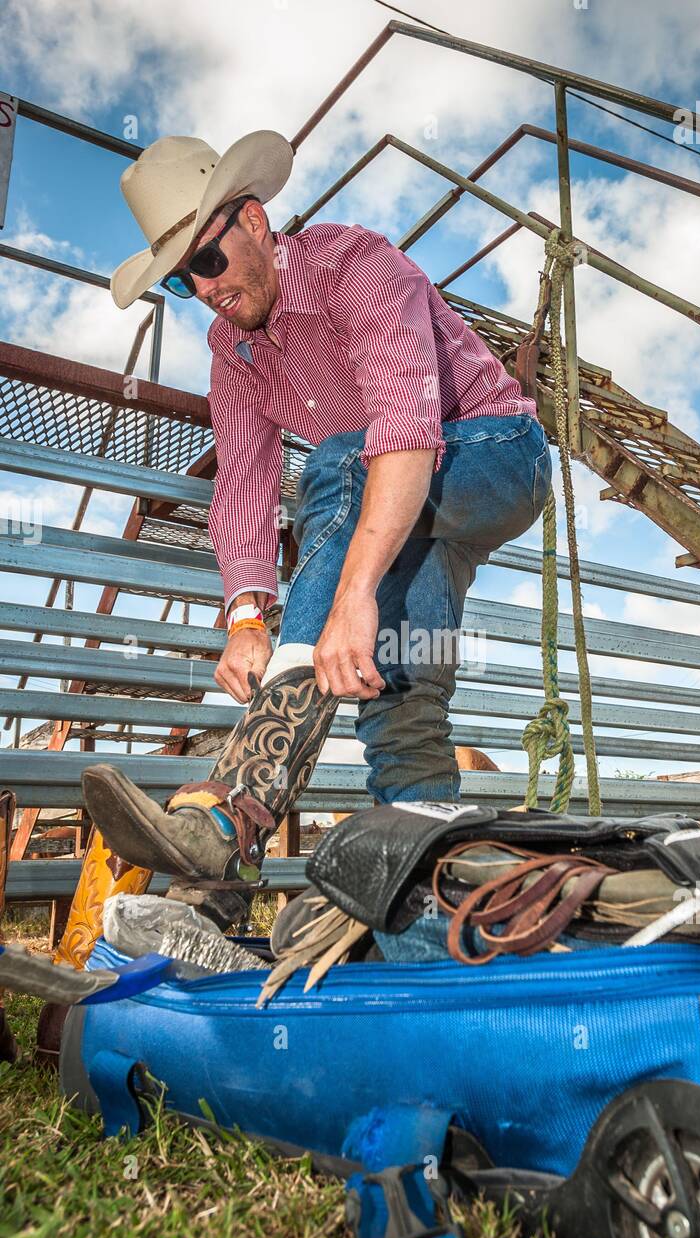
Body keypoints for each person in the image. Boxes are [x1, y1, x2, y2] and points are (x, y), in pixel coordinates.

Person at [82, 131, 552, 921]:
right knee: (398, 692)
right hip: (403, 512)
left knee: (339, 462)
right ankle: (413, 910)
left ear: (256, 223)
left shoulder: (357, 267)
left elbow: (402, 429)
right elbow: (242, 484)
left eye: (207, 262)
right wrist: (243, 618)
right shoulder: (230, 349)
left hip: (493, 457)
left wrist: (351, 595)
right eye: (180, 282)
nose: (204, 290)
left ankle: (233, 805)